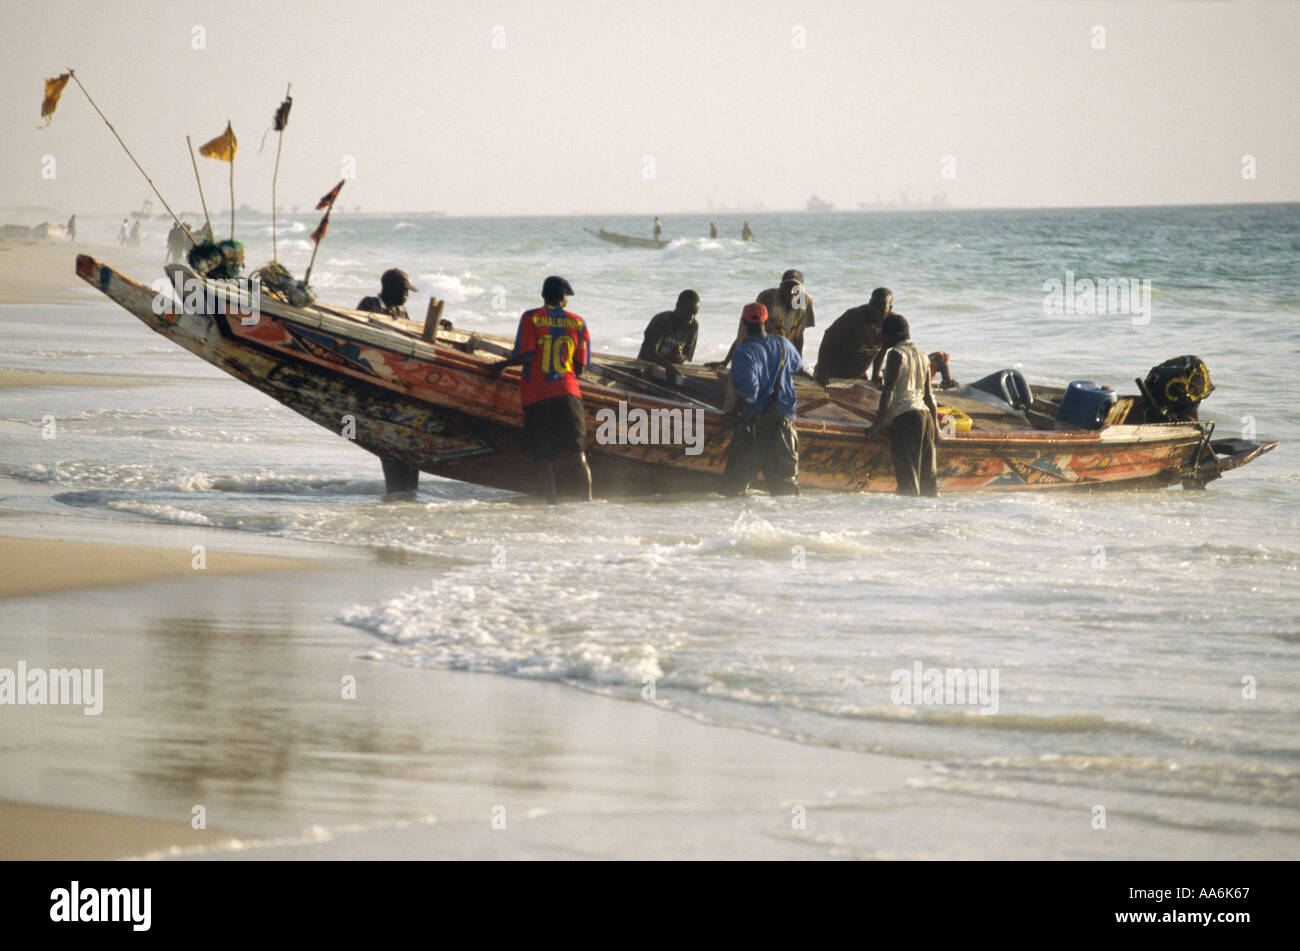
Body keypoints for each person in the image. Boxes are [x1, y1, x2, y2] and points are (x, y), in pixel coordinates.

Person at [490, 276, 592, 502]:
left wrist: (501, 366)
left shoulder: (532, 318)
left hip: (538, 395)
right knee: (577, 454)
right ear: (563, 297)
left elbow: (526, 354)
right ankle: (587, 502)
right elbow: (581, 368)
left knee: (543, 457)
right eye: (567, 296)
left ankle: (551, 503)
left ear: (544, 295)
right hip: (568, 393)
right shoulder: (579, 322)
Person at [722, 301, 802, 497]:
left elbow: (750, 391)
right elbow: (797, 365)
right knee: (786, 490)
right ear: (766, 322)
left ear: (744, 323)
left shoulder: (744, 352)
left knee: (734, 488)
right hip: (785, 424)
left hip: (756, 426)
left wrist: (733, 412)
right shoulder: (783, 344)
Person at [867, 314, 939, 497]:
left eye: (883, 334)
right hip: (926, 417)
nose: (881, 338)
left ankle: (909, 519)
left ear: (892, 335)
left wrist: (877, 425)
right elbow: (929, 396)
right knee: (929, 481)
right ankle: (931, 518)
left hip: (906, 418)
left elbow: (888, 392)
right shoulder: (923, 356)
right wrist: (937, 426)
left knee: (908, 480)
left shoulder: (896, 355)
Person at [719, 269, 814, 367]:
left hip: (784, 351)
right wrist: (726, 362)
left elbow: (799, 336)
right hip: (763, 348)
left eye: (795, 288)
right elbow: (746, 331)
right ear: (781, 287)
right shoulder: (768, 298)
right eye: (787, 287)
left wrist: (799, 367)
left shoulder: (806, 301)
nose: (791, 292)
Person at [814, 287, 892, 386]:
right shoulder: (854, 316)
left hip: (858, 377)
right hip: (831, 374)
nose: (876, 311)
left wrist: (876, 374)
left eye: (881, 307)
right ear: (869, 302)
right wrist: (821, 369)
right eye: (873, 305)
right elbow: (828, 338)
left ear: (890, 308)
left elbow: (883, 348)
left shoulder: (891, 322)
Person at [638, 290, 700, 366]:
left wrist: (679, 357)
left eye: (694, 314)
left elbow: (687, 357)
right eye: (687, 312)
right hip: (646, 367)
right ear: (678, 305)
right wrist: (668, 366)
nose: (691, 317)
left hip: (671, 369)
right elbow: (649, 353)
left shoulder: (693, 327)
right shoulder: (662, 320)